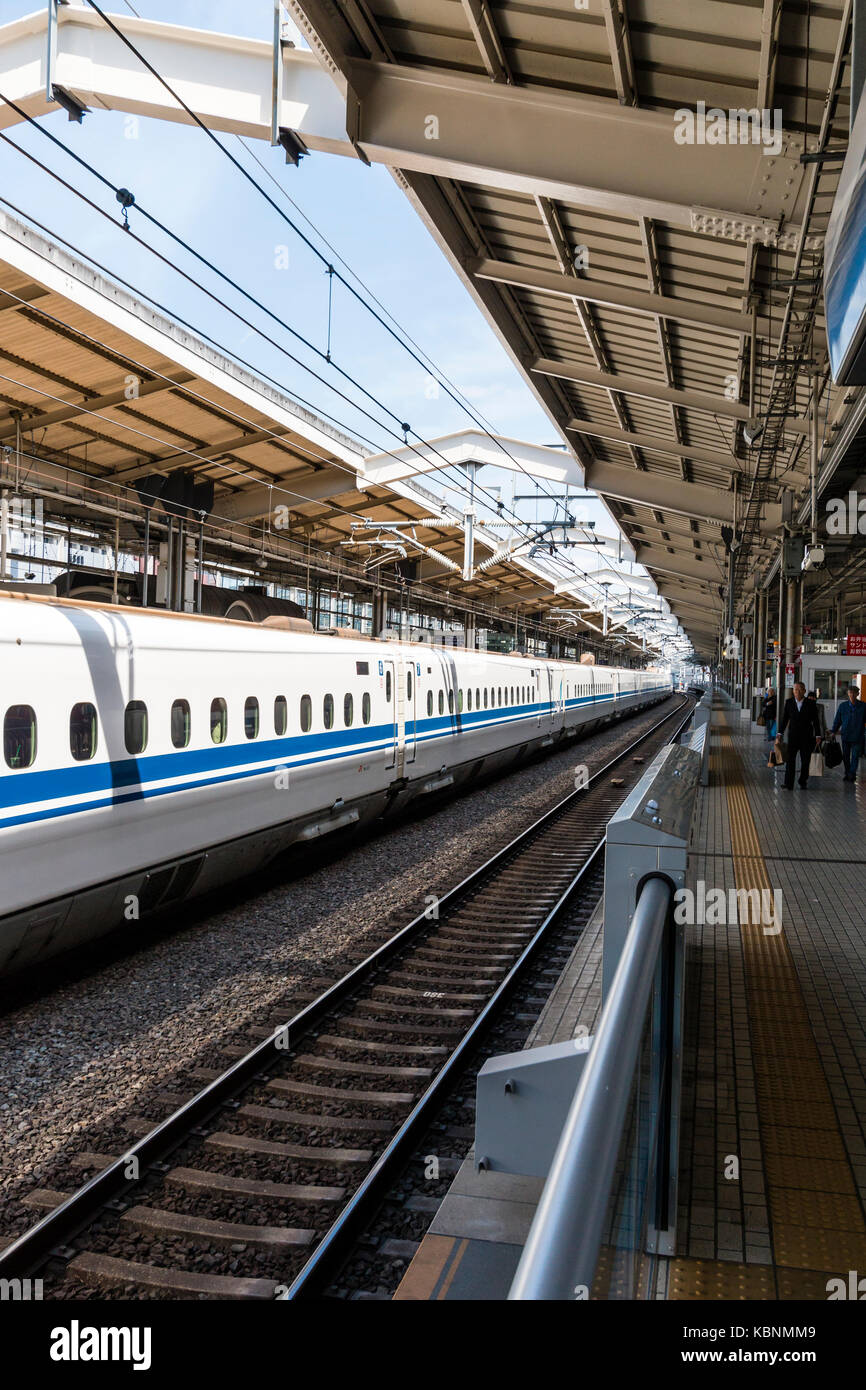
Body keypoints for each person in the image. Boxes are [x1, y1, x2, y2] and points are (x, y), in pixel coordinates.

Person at [776, 681, 822, 789]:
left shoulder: (811, 704)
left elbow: (816, 721)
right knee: (790, 760)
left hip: (807, 737)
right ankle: (788, 783)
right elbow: (785, 719)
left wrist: (818, 736)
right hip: (793, 736)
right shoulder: (789, 702)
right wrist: (780, 733)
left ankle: (803, 781)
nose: (797, 691)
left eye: (800, 689)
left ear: (804, 691)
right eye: (795, 689)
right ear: (793, 691)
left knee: (805, 761)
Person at [830, 684, 866, 783]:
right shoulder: (843, 706)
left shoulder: (863, 706)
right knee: (846, 756)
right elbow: (838, 720)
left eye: (854, 693)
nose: (852, 695)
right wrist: (833, 731)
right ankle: (847, 773)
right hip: (845, 735)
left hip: (858, 735)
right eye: (850, 693)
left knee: (855, 756)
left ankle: (852, 774)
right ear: (847, 694)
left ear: (857, 694)